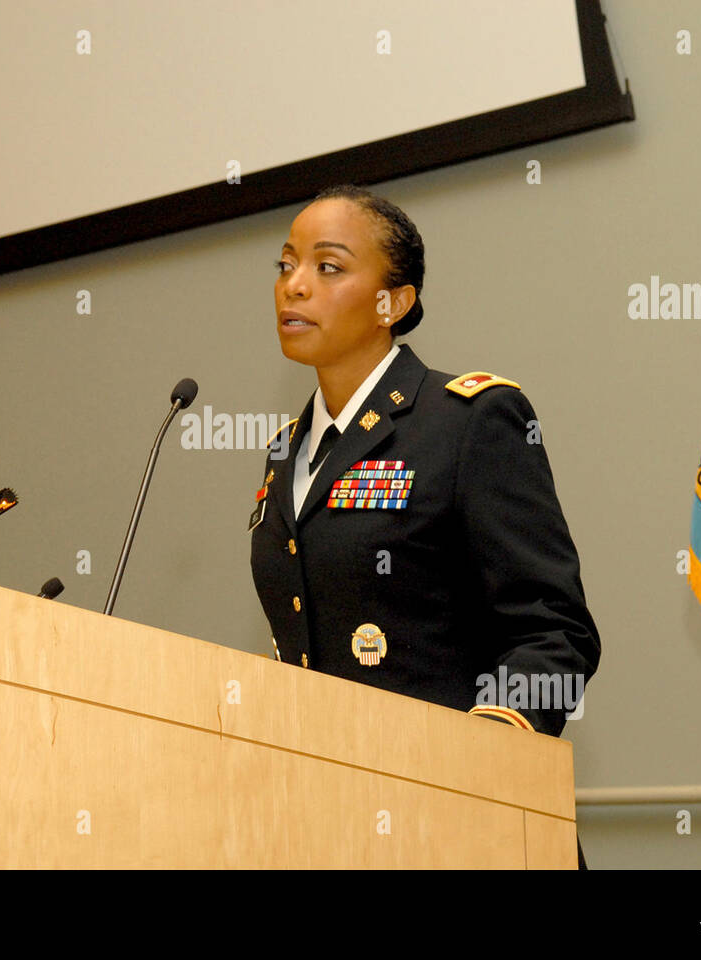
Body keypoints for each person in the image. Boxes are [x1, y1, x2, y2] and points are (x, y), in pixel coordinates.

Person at [248, 184, 601, 867]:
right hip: (333, 829)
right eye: (285, 264)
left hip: (469, 824)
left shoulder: (469, 420)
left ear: (394, 302)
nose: (293, 286)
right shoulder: (287, 451)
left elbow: (554, 631)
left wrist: (489, 745)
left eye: (327, 266)